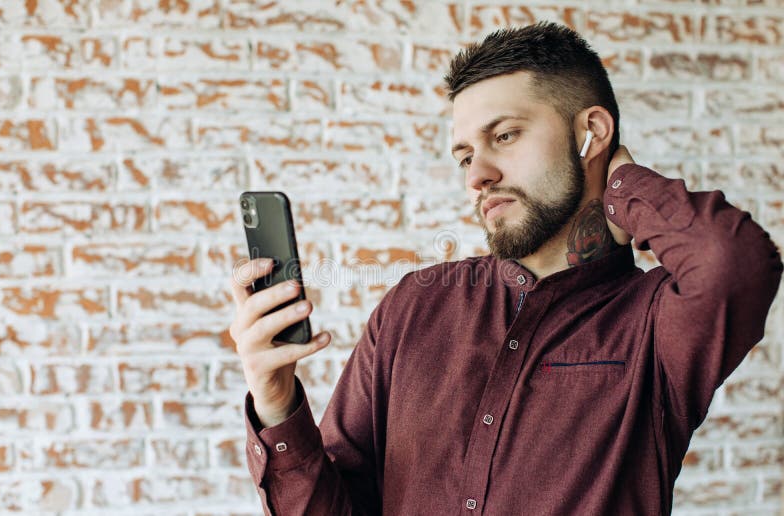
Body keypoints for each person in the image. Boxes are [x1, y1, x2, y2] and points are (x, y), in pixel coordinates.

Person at [228, 22, 783, 515]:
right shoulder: (414, 306)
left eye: (505, 136)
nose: (477, 175)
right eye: (466, 155)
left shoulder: (655, 324)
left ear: (591, 129)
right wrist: (276, 402)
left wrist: (620, 181)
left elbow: (734, 264)